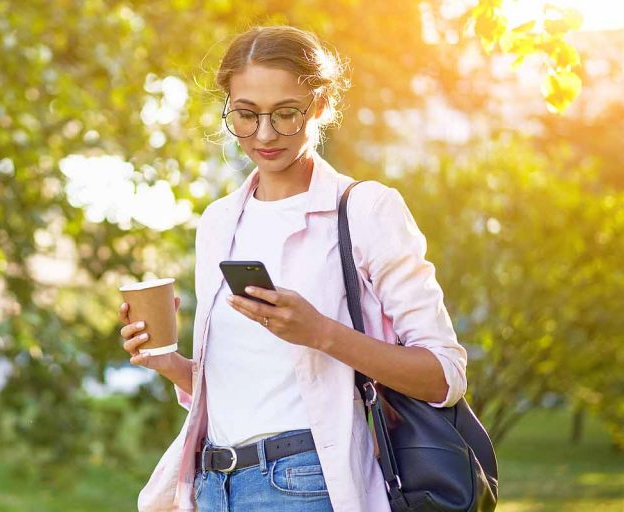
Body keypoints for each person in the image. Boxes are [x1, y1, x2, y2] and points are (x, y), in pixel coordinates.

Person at [119, 25, 467, 512]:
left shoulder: (365, 210)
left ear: (320, 106)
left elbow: (444, 376)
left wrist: (321, 332)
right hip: (212, 486)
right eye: (245, 115)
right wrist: (168, 365)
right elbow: (246, 388)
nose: (264, 135)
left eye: (285, 114)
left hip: (303, 485)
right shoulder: (219, 222)